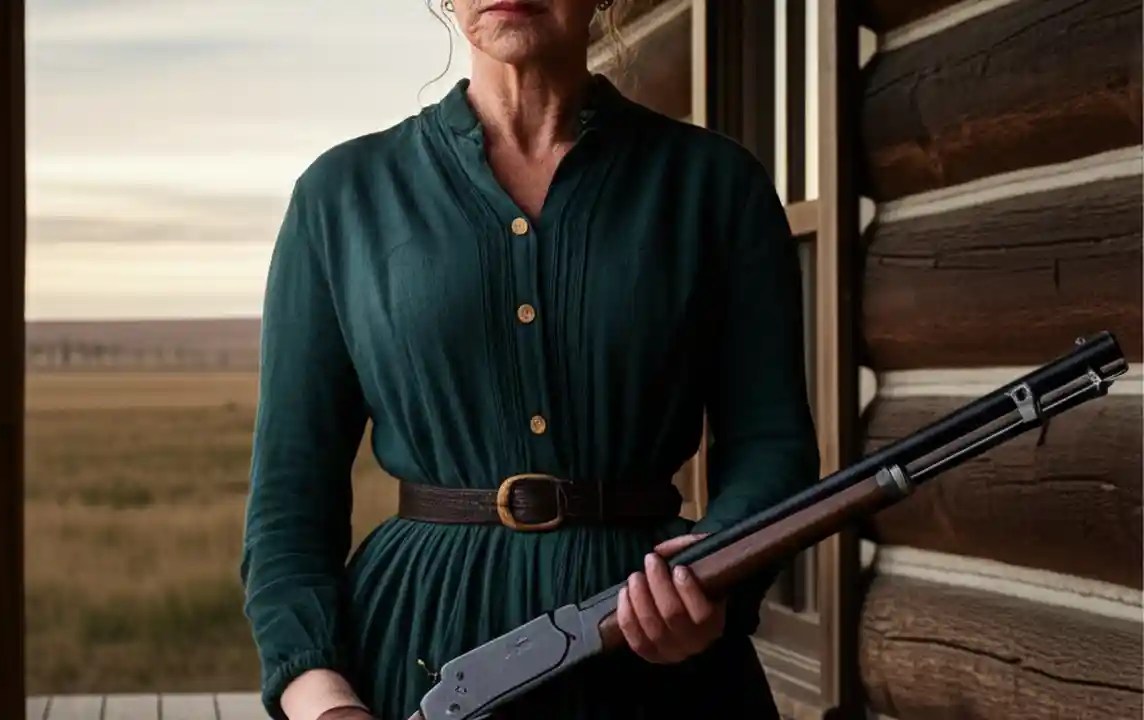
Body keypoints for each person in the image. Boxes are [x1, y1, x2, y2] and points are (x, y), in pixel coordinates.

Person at [240, 0, 819, 718]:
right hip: (414, 650)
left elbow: (771, 446)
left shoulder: (714, 185)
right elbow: (290, 495)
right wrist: (321, 697)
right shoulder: (341, 196)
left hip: (658, 660)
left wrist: (712, 581)